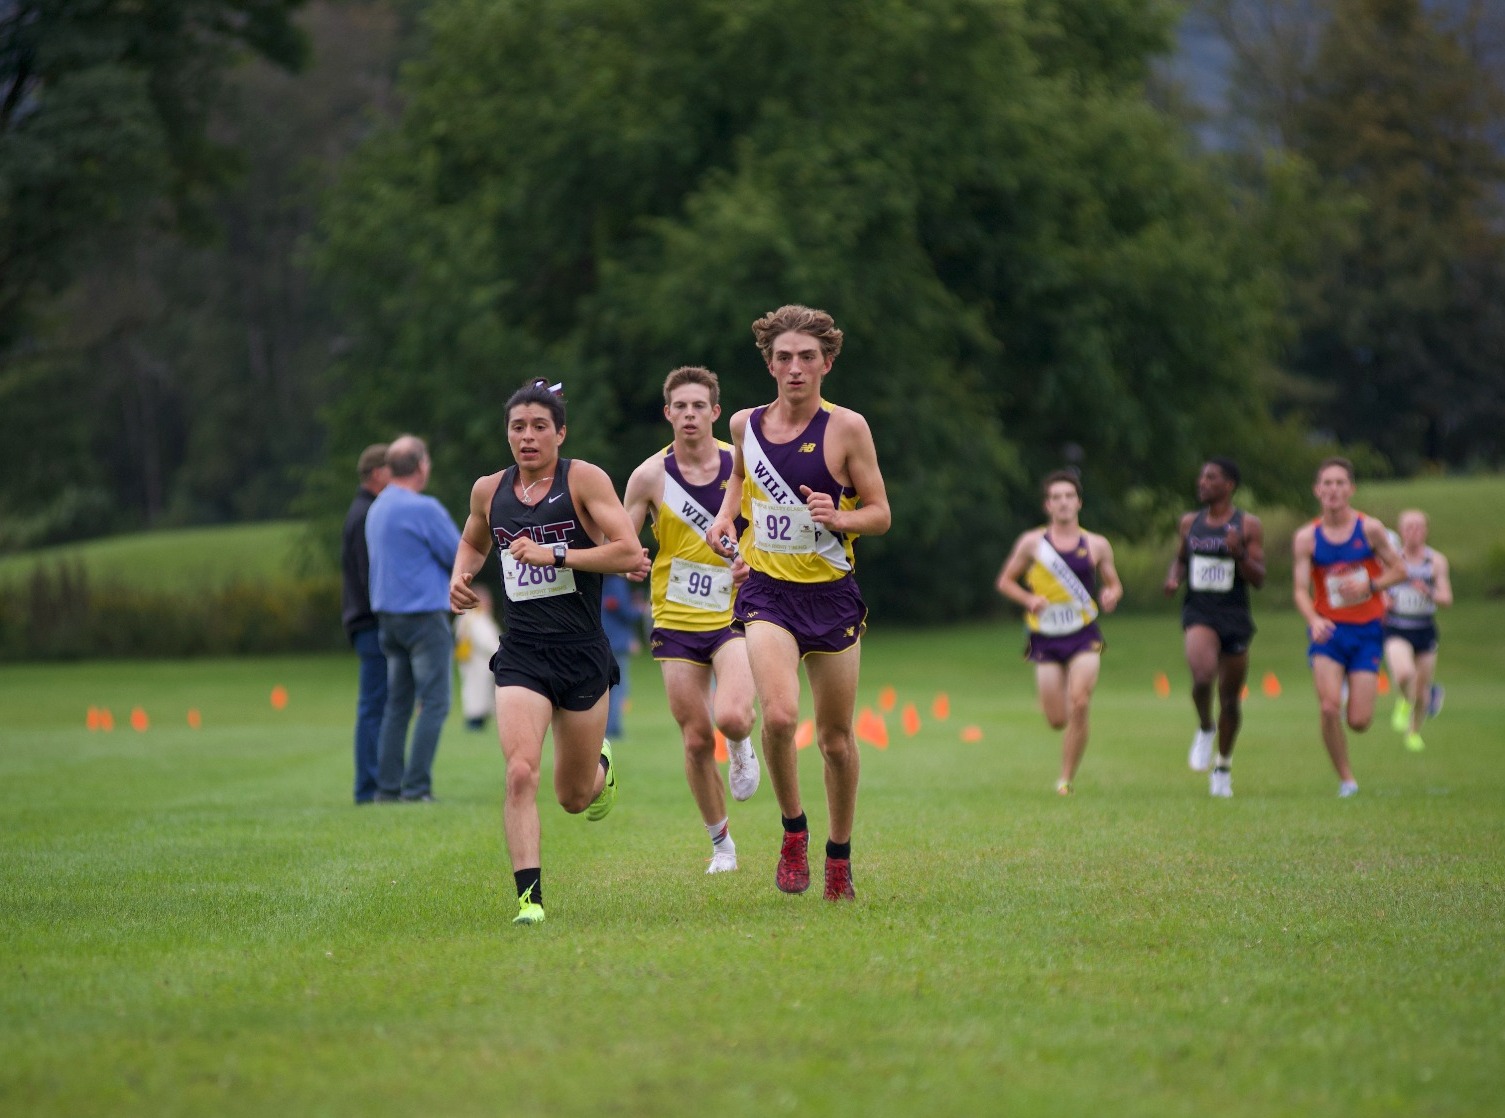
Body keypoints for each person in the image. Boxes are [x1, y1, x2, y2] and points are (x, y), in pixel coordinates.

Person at [449, 379, 651, 926]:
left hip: (582, 652)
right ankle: (529, 900)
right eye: (518, 427)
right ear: (507, 435)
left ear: (560, 433)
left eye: (540, 426)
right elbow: (473, 539)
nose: (528, 436)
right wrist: (460, 576)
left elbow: (627, 552)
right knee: (519, 772)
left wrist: (554, 555)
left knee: (572, 797)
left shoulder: (582, 480)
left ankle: (601, 768)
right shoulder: (489, 491)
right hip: (523, 653)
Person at [707, 305, 891, 902]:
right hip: (768, 591)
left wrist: (838, 516)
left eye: (807, 357)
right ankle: (794, 832)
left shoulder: (848, 429)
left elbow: (881, 514)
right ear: (769, 363)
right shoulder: (744, 425)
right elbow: (739, 482)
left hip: (832, 595)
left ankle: (839, 856)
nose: (795, 368)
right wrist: (723, 518)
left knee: (836, 738)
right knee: (781, 717)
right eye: (783, 357)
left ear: (826, 363)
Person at [622, 365, 761, 875]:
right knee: (697, 737)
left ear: (715, 413)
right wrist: (629, 559)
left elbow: (768, 530)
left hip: (735, 611)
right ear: (667, 414)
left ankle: (744, 744)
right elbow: (620, 540)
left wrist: (756, 564)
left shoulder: (740, 467)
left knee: (730, 717)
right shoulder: (649, 476)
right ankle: (721, 844)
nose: (689, 415)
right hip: (676, 616)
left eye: (698, 406)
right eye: (679, 406)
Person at [995, 470, 1123, 796]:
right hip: (1045, 639)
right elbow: (1005, 581)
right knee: (1056, 719)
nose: (1063, 503)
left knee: (1080, 703)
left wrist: (1112, 594)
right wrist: (1028, 599)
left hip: (1084, 635)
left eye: (1069, 496)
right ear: (1047, 505)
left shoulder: (1097, 544)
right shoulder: (1032, 543)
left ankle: (1065, 779)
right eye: (1057, 497)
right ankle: (1066, 711)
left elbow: (1113, 582)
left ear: (1079, 502)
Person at [1291, 457, 1406, 797]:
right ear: (1317, 490)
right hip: (1329, 632)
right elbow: (1299, 589)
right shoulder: (1306, 538)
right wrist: (1313, 620)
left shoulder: (1369, 529)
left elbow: (1399, 569)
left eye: (1340, 483)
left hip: (1367, 632)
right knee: (1328, 707)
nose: (1333, 489)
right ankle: (1347, 780)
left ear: (1351, 489)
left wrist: (1371, 586)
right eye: (1327, 483)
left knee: (1358, 721)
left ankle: (1348, 690)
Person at [365, 434, 462, 803]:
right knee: (435, 702)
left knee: (397, 706)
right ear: (422, 465)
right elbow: (459, 554)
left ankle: (387, 789)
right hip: (423, 617)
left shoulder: (377, 507)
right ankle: (417, 787)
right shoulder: (424, 508)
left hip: (387, 619)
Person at [1163, 458, 1265, 798]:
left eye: (1212, 477)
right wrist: (1173, 577)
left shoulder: (1248, 525)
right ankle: (1205, 727)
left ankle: (1222, 766)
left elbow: (1260, 578)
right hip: (1200, 612)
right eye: (1202, 476)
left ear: (1229, 485)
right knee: (1202, 675)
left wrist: (1240, 555)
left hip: (1234, 617)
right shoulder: (1189, 523)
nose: (1203, 482)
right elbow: (1180, 557)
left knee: (1231, 700)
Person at [340, 443, 391, 804]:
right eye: (391, 469)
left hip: (367, 622)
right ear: (376, 474)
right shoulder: (365, 514)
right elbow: (368, 574)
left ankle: (377, 784)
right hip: (371, 624)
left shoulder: (363, 511)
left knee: (381, 705)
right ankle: (368, 788)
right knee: (374, 706)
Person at [1383, 509, 1452, 752]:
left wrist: (1429, 592)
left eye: (1419, 527)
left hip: (1424, 629)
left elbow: (1446, 598)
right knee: (1403, 674)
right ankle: (1403, 699)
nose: (1414, 532)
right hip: (1397, 627)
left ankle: (1413, 733)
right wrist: (1385, 601)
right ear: (1401, 531)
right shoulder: (1392, 559)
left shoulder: (1435, 561)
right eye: (1409, 527)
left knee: (1423, 690)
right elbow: (1379, 588)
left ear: (1426, 531)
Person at [599, 573, 645, 739]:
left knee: (602, 687)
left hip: (600, 640)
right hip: (617, 642)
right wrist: (640, 608)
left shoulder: (598, 579)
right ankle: (612, 729)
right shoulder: (617, 582)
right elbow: (626, 612)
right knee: (618, 686)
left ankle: (603, 729)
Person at [454, 583, 502, 731]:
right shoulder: (477, 617)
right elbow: (486, 641)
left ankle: (477, 721)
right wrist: (500, 652)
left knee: (475, 692)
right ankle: (475, 723)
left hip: (472, 662)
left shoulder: (466, 617)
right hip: (479, 662)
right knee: (477, 694)